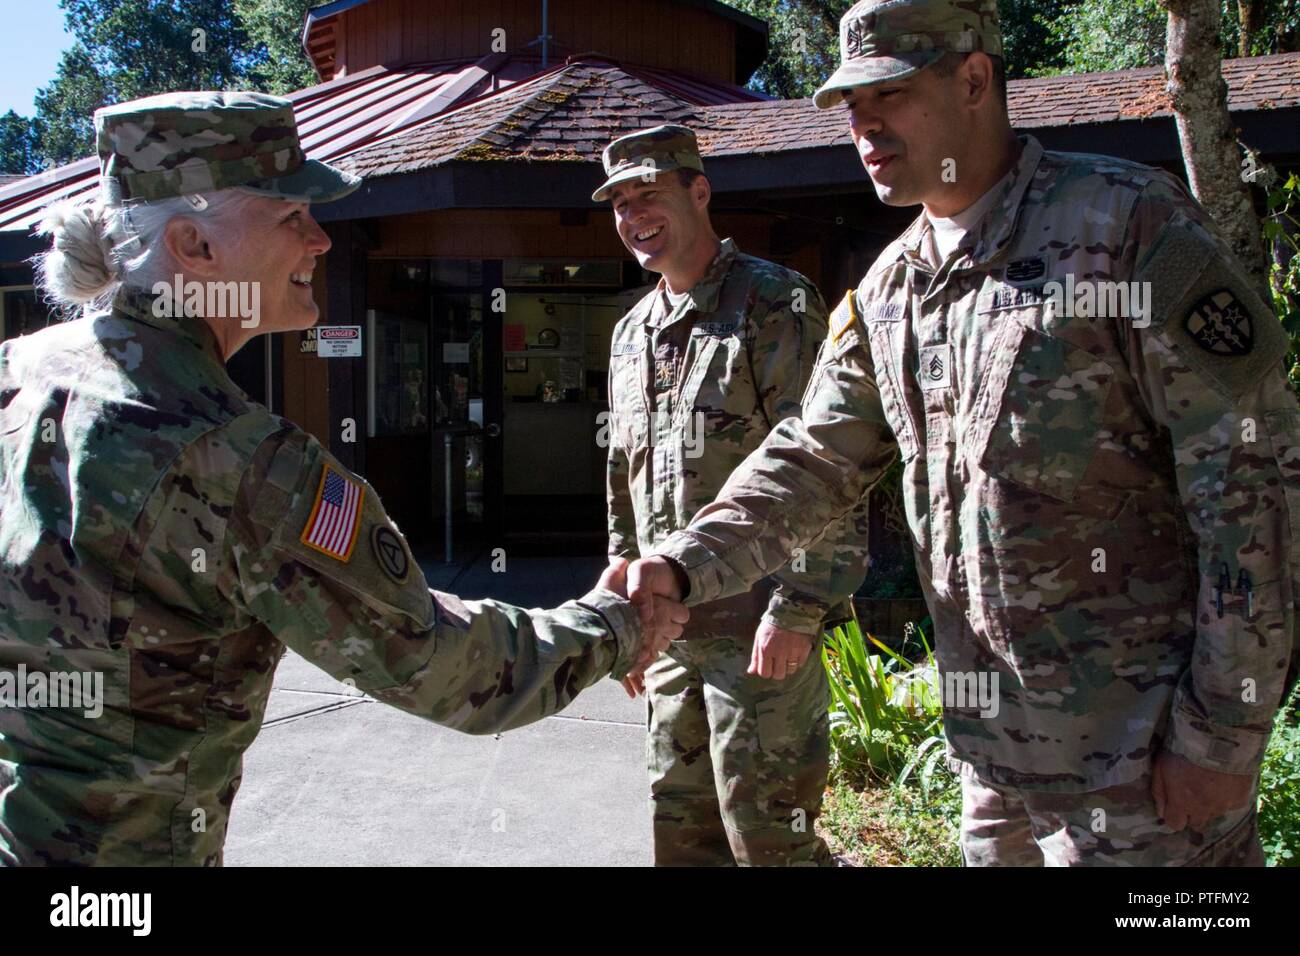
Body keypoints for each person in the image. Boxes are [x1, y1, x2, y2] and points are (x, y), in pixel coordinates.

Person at [630, 0, 1300, 866]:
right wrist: (682, 563)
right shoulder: (889, 290)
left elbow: (1252, 481)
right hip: (993, 769)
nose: (864, 128)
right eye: (851, 110)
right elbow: (813, 460)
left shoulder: (1126, 224)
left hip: (1142, 774)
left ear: (975, 78)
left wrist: (1223, 735)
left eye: (891, 96)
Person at [0, 91, 686, 866]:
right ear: (194, 247)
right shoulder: (242, 461)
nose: (321, 240)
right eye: (292, 216)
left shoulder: (21, 377)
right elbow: (447, 668)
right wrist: (617, 624)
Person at [594, 125, 870, 866]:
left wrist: (801, 607)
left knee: (772, 841)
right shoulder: (630, 334)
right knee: (680, 835)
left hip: (759, 632)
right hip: (671, 634)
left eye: (648, 194)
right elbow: (626, 477)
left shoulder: (774, 302)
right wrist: (622, 607)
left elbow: (827, 464)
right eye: (619, 203)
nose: (633, 215)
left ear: (699, 190)